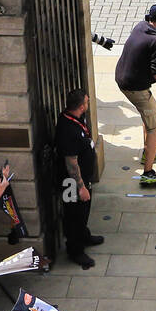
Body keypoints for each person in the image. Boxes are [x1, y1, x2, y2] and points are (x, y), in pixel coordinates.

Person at [114, 4, 156, 188]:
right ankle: (148, 172)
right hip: (135, 88)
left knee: (149, 112)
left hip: (122, 78)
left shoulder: (141, 26)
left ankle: (148, 152)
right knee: (154, 128)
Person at [55, 88, 102, 269]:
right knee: (74, 214)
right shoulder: (68, 129)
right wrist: (81, 187)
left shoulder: (76, 118)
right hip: (71, 183)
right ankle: (76, 250)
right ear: (81, 106)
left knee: (83, 211)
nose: (88, 104)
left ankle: (84, 235)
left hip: (83, 178)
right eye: (87, 102)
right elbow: (71, 163)